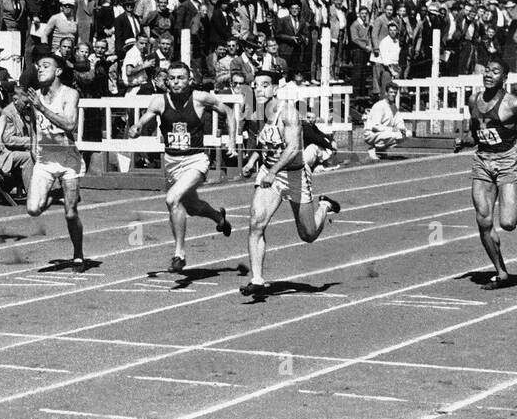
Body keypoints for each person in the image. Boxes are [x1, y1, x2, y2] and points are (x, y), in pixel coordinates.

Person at [239, 69, 341, 297]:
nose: (259, 89)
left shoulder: (288, 113)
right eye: (256, 85)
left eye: (265, 85)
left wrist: (274, 171)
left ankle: (324, 206)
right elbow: (263, 144)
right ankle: (257, 278)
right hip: (270, 173)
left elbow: (292, 147)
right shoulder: (257, 113)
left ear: (275, 88)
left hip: (293, 174)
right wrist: (251, 161)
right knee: (256, 223)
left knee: (308, 235)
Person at [126, 62, 235, 272]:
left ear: (189, 80)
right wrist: (137, 128)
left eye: (181, 78)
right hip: (172, 162)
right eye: (173, 78)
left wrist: (230, 141)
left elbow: (228, 112)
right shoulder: (159, 101)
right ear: (167, 80)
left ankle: (179, 254)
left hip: (197, 160)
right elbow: (143, 121)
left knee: (172, 199)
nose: (176, 82)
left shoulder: (201, 98)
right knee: (192, 207)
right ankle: (219, 217)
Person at [453, 57, 517, 288]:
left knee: (508, 223)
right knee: (483, 220)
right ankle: (501, 271)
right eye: (487, 70)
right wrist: (464, 141)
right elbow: (477, 132)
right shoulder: (473, 100)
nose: (489, 74)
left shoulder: (513, 104)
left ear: (504, 77)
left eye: (495, 71)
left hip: (507, 162)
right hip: (482, 161)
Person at [19, 55, 88, 267]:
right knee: (33, 210)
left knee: (70, 213)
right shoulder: (35, 95)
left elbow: (69, 124)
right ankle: (56, 194)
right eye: (39, 66)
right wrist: (33, 149)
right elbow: (33, 126)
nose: (40, 70)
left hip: (68, 160)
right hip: (45, 159)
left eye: (46, 66)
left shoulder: (70, 94)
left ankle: (78, 254)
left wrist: (42, 108)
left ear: (58, 71)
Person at [362, 83, 409, 160]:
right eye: (391, 92)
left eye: (395, 93)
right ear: (386, 93)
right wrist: (392, 129)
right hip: (372, 134)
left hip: (383, 132)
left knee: (407, 134)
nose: (393, 94)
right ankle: (372, 149)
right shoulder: (379, 106)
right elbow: (375, 127)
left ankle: (380, 150)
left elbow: (399, 122)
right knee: (394, 135)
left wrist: (402, 129)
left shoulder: (394, 107)